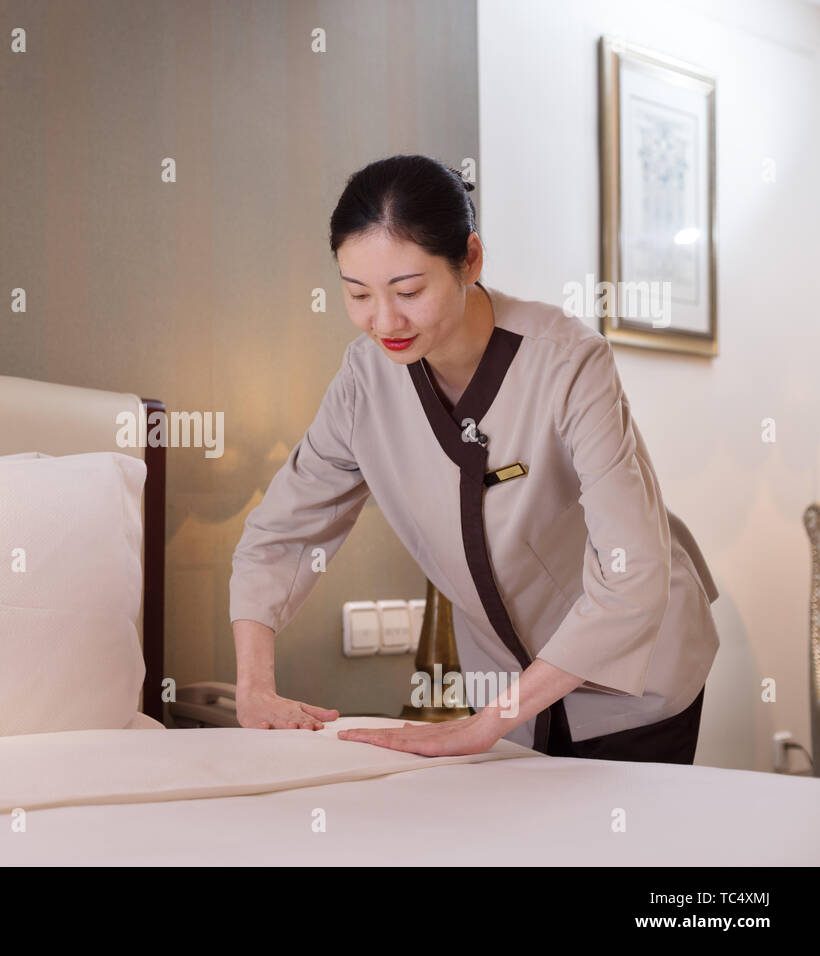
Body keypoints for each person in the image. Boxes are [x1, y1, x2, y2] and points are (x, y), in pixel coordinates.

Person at [228, 154, 719, 764]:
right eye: (357, 294)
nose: (384, 322)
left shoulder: (568, 363)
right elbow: (280, 534)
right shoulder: (364, 381)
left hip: (634, 677)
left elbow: (631, 574)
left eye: (408, 291)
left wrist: (482, 724)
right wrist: (254, 689)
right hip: (502, 689)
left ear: (471, 259)